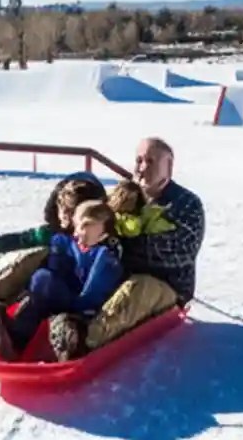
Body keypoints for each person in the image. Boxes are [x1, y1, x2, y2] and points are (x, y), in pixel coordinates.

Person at [48, 137, 205, 360]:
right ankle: (21, 311)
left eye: (150, 161)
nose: (142, 167)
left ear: (168, 166)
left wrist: (118, 242)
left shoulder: (186, 204)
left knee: (137, 288)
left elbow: (179, 250)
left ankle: (82, 339)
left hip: (165, 284)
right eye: (139, 160)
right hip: (113, 270)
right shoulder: (124, 197)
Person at [0, 172, 106, 325]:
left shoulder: (97, 240)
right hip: (33, 287)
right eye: (61, 208)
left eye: (70, 212)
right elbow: (25, 239)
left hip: (59, 294)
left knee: (33, 271)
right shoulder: (51, 233)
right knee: (19, 267)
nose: (64, 216)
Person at [0, 200, 124, 361]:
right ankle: (14, 339)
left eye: (86, 225)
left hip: (83, 310)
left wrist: (76, 309)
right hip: (59, 297)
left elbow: (93, 293)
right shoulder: (66, 243)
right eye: (77, 225)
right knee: (34, 299)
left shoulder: (106, 256)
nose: (78, 231)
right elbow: (48, 259)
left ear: (104, 232)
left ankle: (70, 342)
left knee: (54, 300)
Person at [106, 179, 176, 238]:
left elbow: (133, 230)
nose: (131, 203)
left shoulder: (143, 213)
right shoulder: (108, 211)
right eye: (128, 199)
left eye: (134, 199)